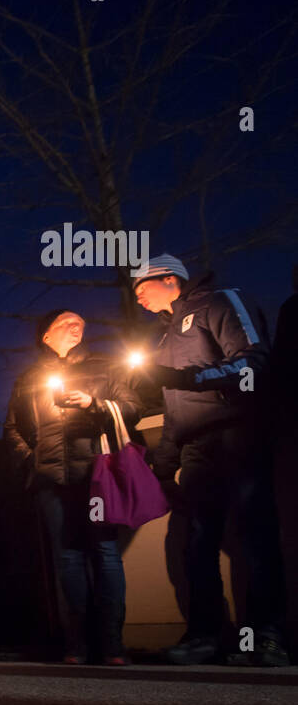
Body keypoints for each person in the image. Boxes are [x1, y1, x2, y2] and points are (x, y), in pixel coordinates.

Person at [133, 253, 289, 666]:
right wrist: (164, 460)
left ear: (169, 279)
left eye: (141, 287)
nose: (138, 299)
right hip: (196, 450)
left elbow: (253, 363)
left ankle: (266, 636)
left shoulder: (220, 300)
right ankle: (205, 636)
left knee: (255, 534)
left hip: (237, 432)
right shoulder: (165, 339)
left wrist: (187, 378)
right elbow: (174, 406)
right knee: (199, 542)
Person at [3, 311, 141, 664]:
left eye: (80, 320)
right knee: (68, 558)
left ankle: (112, 644)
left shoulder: (104, 366)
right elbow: (13, 428)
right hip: (50, 478)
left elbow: (132, 407)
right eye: (65, 321)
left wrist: (92, 404)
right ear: (45, 335)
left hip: (96, 471)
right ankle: (77, 644)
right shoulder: (30, 378)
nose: (75, 324)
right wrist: (32, 458)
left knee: (105, 553)